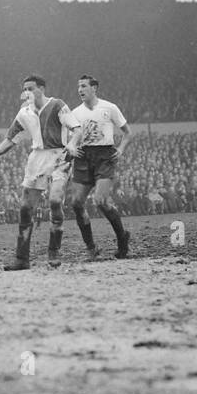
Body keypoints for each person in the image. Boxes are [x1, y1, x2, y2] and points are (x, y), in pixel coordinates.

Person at [0, 76, 75, 270]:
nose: (27, 92)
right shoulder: (24, 112)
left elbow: (77, 128)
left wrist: (73, 144)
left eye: (31, 88)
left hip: (59, 156)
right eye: (25, 89)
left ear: (42, 88)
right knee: (25, 208)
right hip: (37, 158)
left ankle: (53, 252)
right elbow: (11, 138)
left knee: (55, 201)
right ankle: (22, 259)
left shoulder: (57, 105)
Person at [65, 74, 132, 259]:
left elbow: (128, 133)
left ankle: (122, 238)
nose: (80, 90)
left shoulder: (109, 108)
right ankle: (91, 247)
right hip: (83, 157)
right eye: (79, 86)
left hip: (104, 156)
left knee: (100, 201)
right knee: (76, 203)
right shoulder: (75, 113)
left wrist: (121, 149)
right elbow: (71, 140)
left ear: (94, 88)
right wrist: (72, 148)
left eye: (84, 86)